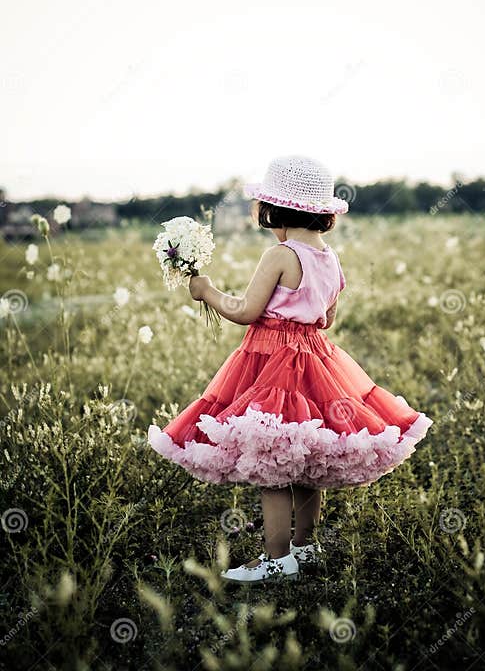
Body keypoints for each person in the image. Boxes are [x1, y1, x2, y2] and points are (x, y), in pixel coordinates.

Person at [147, 155, 433, 583]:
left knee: (272, 463)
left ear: (273, 210)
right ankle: (305, 547)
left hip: (272, 364)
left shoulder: (280, 254)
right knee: (304, 456)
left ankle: (277, 560)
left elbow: (244, 311)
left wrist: (206, 290)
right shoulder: (330, 258)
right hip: (317, 360)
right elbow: (326, 318)